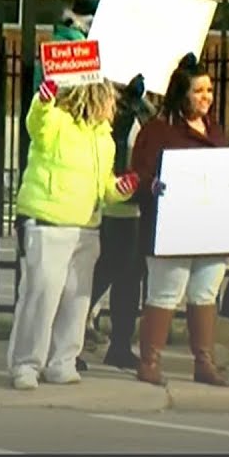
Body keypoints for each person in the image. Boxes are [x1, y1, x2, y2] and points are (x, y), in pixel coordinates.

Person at [7, 79, 137, 390]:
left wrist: (118, 190)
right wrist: (43, 100)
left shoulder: (104, 138)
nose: (113, 107)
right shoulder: (57, 120)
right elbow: (36, 123)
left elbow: (103, 183)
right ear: (95, 97)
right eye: (110, 100)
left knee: (76, 300)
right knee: (41, 295)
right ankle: (26, 364)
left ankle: (62, 361)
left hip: (86, 225)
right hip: (48, 220)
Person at [130, 54, 229, 388]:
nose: (206, 97)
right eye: (198, 91)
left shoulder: (216, 131)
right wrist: (153, 185)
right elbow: (140, 175)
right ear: (181, 94)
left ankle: (204, 362)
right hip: (170, 229)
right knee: (165, 293)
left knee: (205, 293)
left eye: (209, 90)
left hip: (210, 228)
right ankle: (150, 362)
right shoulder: (158, 131)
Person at [77, 74, 156, 371]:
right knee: (103, 271)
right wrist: (126, 105)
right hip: (110, 204)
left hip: (137, 204)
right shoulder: (104, 101)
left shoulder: (145, 108)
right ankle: (71, 338)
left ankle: (121, 344)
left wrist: (140, 105)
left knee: (130, 276)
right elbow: (111, 139)